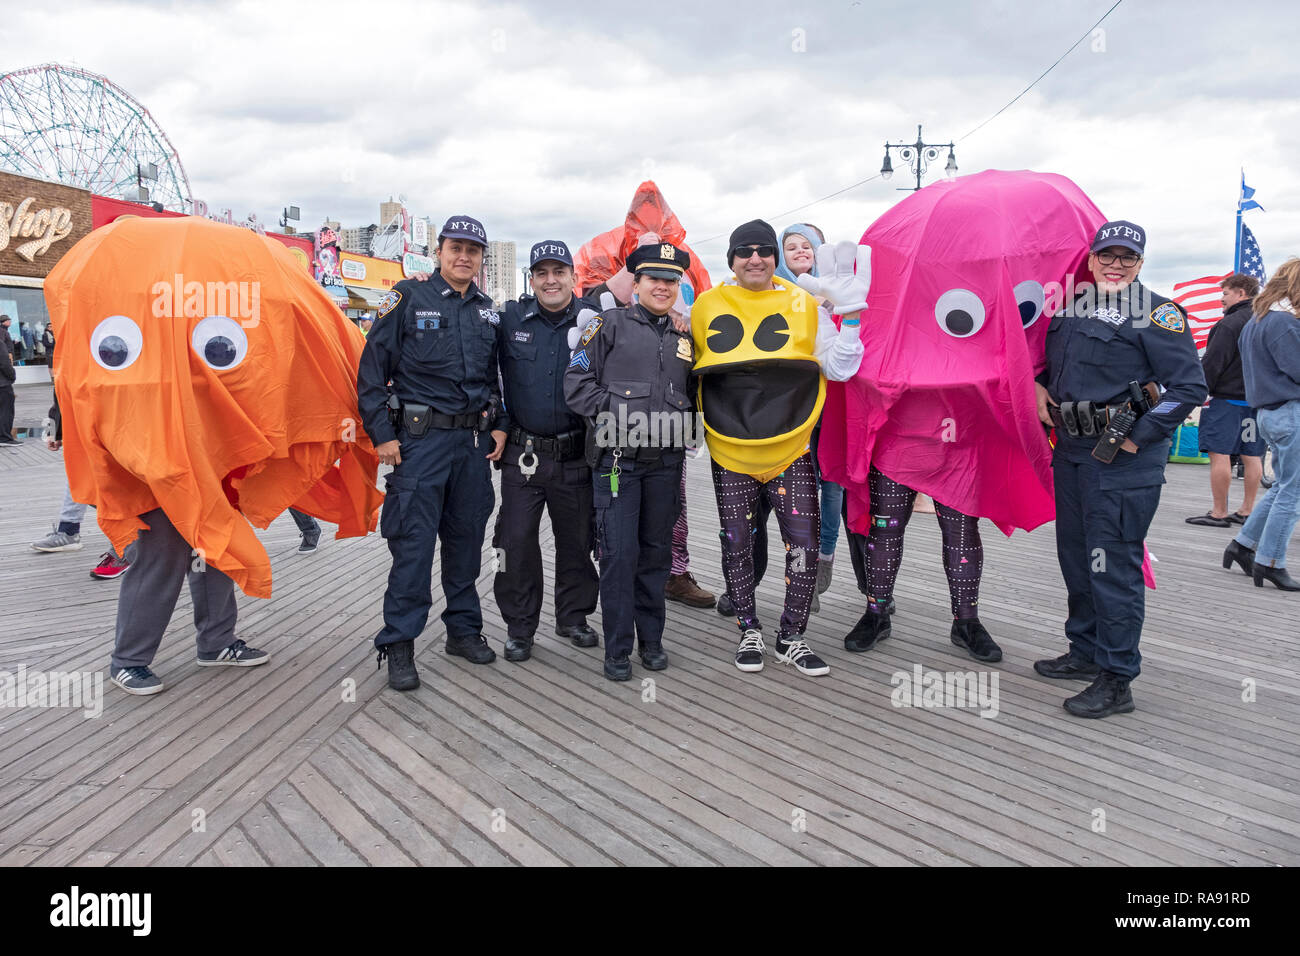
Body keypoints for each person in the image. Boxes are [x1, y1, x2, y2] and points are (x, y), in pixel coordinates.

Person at [1034, 220, 1207, 717]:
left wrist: (1140, 437)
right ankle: (1085, 651)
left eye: (1126, 258)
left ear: (1140, 264)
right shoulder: (1070, 310)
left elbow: (1189, 389)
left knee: (1112, 566)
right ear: (1090, 259)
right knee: (1076, 558)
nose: (1115, 264)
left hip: (1122, 459)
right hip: (1070, 450)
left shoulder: (1159, 314)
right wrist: (1038, 387)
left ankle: (1117, 677)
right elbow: (1054, 369)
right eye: (1106, 255)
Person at [692, 221, 865, 677]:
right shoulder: (705, 306)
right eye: (744, 250)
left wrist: (850, 317)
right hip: (731, 453)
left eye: (764, 250)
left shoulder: (805, 303)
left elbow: (840, 368)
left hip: (791, 451)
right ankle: (748, 628)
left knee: (804, 546)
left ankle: (792, 636)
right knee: (737, 546)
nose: (755, 258)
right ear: (730, 258)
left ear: (776, 257)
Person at [358, 215, 507, 691]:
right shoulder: (407, 297)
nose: (464, 257)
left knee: (466, 545)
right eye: (455, 247)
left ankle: (462, 632)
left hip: (471, 446)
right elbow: (370, 373)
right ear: (439, 251)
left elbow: (494, 381)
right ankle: (398, 643)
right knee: (414, 549)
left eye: (474, 250)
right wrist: (381, 434)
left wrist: (499, 425)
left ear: (482, 258)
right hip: (419, 447)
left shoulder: (488, 311)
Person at [564, 242, 695, 681]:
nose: (662, 286)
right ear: (635, 283)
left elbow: (694, 396)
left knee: (656, 555)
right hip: (618, 461)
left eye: (670, 280)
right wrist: (626, 417)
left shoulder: (684, 337)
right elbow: (577, 385)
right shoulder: (606, 325)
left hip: (666, 464)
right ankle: (617, 649)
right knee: (619, 556)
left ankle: (651, 641)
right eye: (654, 278)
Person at [491, 240, 600, 662]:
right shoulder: (509, 318)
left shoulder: (595, 321)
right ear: (531, 278)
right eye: (542, 273)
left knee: (576, 541)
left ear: (574, 276)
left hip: (575, 454)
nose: (551, 280)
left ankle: (573, 617)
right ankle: (520, 627)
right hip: (524, 454)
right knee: (514, 542)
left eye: (559, 272)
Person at [1223, 258, 1300, 590]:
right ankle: (1270, 561)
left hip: (1268, 413)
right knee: (1293, 492)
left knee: (1283, 486)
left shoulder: (1257, 320)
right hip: (1291, 411)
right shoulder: (1284, 323)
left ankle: (1243, 543)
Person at [1186, 273, 1265, 527]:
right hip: (1257, 401)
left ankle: (1219, 512)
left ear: (1241, 293)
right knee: (1252, 456)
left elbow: (1213, 363)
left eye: (1226, 294)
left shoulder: (1229, 324)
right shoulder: (1266, 321)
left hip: (1227, 401)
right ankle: (1247, 511)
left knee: (1219, 454)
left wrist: (1196, 393)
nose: (1222, 299)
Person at [0, 320, 16, 446]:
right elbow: (5, 364)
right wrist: (12, 377)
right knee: (6, 411)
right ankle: (5, 438)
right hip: (3, 384)